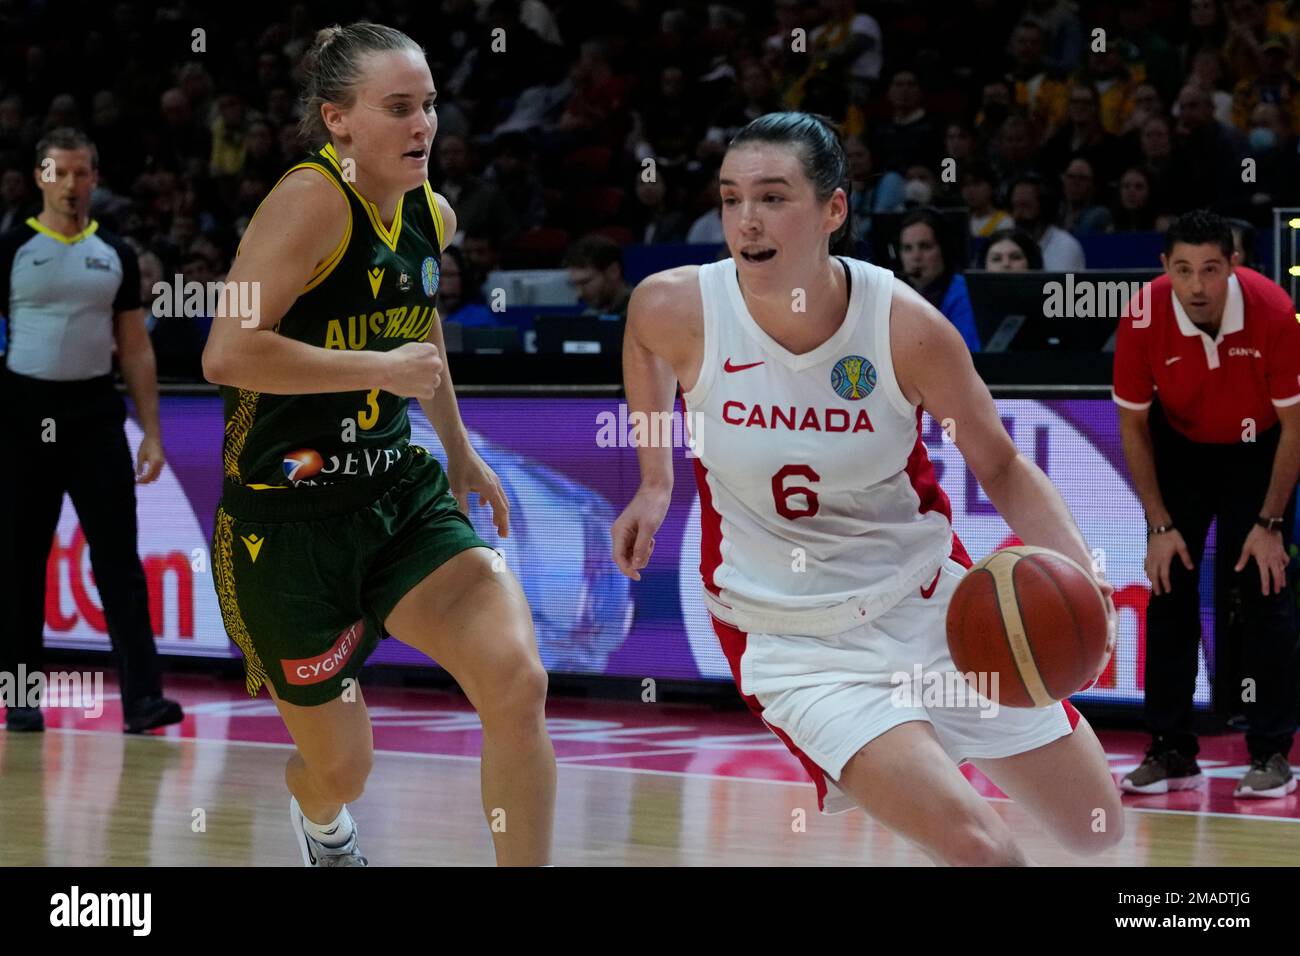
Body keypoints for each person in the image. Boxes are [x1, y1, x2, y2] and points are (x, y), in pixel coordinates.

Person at [612, 112, 1123, 865]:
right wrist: (654, 479)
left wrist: (1083, 569)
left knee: (1099, 832)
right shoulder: (678, 305)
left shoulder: (904, 327)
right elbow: (642, 340)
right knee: (982, 847)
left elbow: (1003, 467)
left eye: (774, 197)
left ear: (833, 209)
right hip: (790, 639)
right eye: (730, 198)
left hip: (931, 608)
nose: (746, 220)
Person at [200, 22, 555, 866]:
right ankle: (323, 826)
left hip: (398, 496)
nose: (423, 125)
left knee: (517, 681)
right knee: (342, 771)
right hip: (284, 529)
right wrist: (376, 367)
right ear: (339, 120)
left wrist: (457, 448)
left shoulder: (433, 210)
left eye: (429, 105)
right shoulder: (310, 200)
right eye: (398, 108)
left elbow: (417, 325)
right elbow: (226, 351)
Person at [0, 128, 184, 735]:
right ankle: (22, 698)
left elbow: (134, 348)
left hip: (94, 414)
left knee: (118, 561)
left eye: (83, 174)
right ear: (40, 178)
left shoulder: (117, 254)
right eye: (61, 174)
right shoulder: (10, 248)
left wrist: (151, 432)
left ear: (95, 180)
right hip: (26, 413)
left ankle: (143, 699)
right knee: (21, 560)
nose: (73, 186)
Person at [1112, 209, 1300, 798]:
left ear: (1234, 266)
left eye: (1211, 269)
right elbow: (1133, 426)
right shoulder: (1143, 313)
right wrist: (1159, 524)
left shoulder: (1273, 312)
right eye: (1184, 269)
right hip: (1181, 447)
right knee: (1169, 591)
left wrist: (1269, 523)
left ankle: (1272, 753)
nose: (1197, 285)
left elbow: (1296, 428)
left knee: (1264, 592)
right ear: (1166, 267)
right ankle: (1171, 750)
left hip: (1259, 446)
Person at [897, 207, 979, 352]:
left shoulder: (963, 292)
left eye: (925, 247)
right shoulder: (896, 293)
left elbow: (966, 353)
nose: (915, 256)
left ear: (944, 250)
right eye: (907, 248)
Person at [564, 234, 631, 320]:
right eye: (575, 285)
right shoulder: (588, 317)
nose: (579, 294)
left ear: (613, 271)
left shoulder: (646, 314)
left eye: (585, 282)